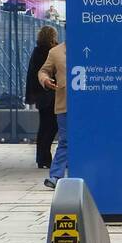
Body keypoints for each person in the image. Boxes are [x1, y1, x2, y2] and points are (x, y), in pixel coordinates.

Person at [25, 25, 59, 168]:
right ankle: (45, 157)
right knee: (52, 127)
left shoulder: (37, 51)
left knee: (44, 127)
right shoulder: (50, 52)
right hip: (50, 94)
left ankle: (42, 158)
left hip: (40, 95)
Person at [38, 40, 68, 190]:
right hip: (65, 104)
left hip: (89, 105)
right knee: (65, 140)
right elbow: (43, 71)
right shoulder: (56, 52)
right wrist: (45, 80)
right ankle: (56, 176)